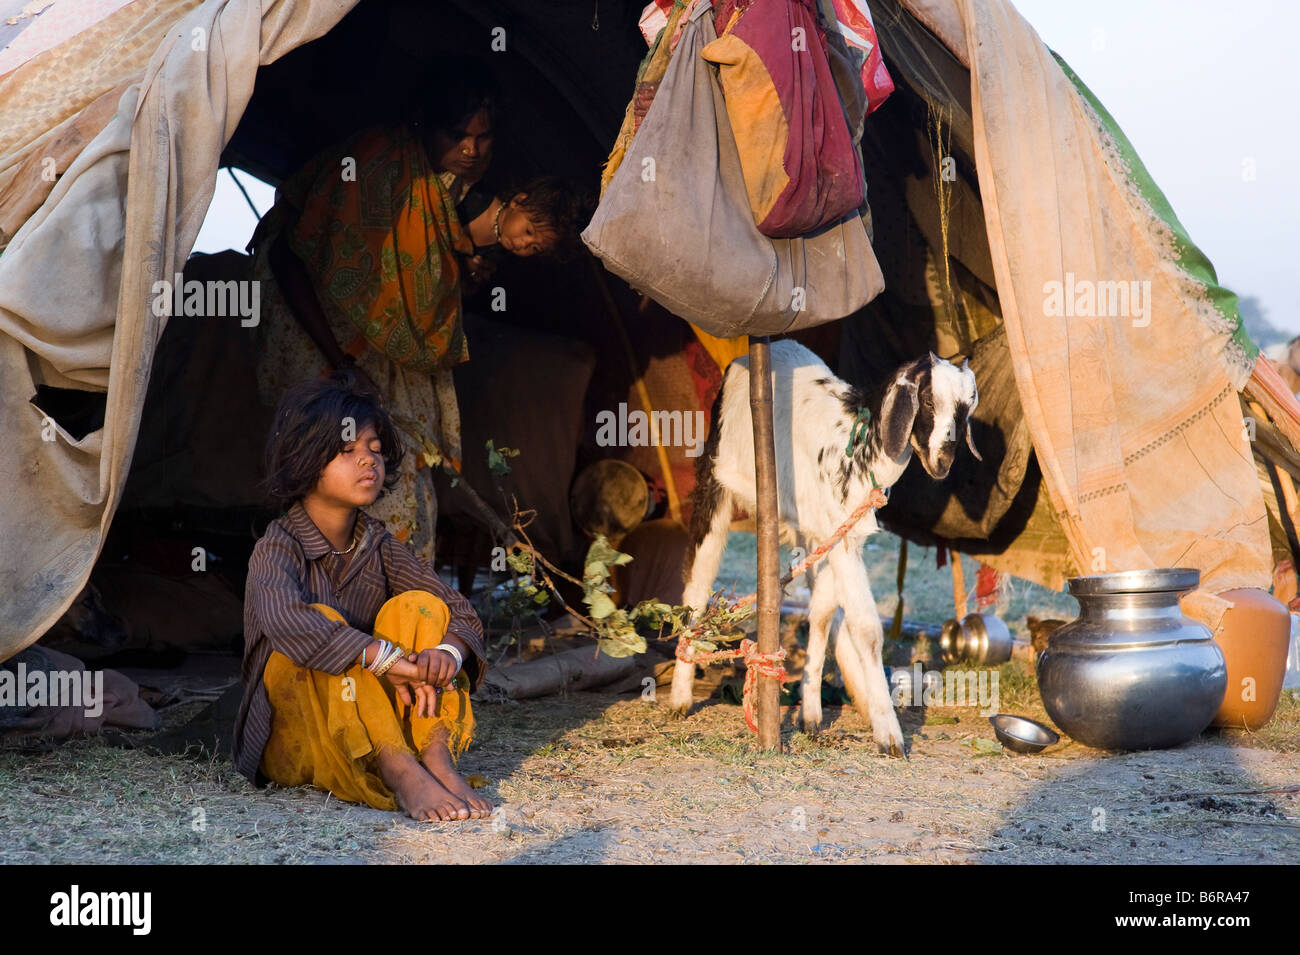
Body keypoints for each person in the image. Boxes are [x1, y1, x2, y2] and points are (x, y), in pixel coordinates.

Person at [248, 66, 585, 565]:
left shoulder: (445, 199)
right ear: (426, 124)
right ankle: (323, 609)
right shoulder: (377, 165)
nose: (472, 150)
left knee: (400, 481)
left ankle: (399, 605)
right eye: (458, 135)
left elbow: (415, 294)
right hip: (320, 342)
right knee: (325, 472)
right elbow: (294, 256)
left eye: (483, 138)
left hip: (382, 368)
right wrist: (339, 361)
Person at [231, 373, 493, 822]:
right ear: (306, 460)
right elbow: (287, 623)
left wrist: (444, 654)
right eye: (348, 450)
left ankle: (435, 756)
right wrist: (386, 659)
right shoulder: (277, 547)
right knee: (321, 621)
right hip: (299, 735)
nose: (368, 461)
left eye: (374, 449)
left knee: (420, 606)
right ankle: (399, 769)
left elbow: (460, 610)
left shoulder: (378, 543)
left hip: (375, 721)